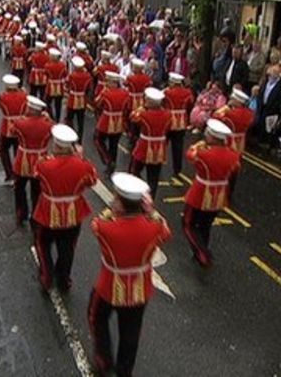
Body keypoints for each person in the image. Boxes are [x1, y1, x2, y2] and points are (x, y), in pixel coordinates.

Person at [88, 172, 171, 377]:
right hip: (139, 289)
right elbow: (166, 232)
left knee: (96, 316)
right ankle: (124, 372)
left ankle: (103, 358)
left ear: (121, 205)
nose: (113, 201)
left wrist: (114, 211)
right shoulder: (154, 226)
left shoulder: (106, 227)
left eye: (116, 198)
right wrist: (150, 211)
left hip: (109, 286)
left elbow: (96, 224)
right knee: (130, 334)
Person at [33, 124, 98, 291]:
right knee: (68, 249)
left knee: (43, 243)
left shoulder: (44, 164)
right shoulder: (83, 166)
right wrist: (80, 159)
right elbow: (92, 180)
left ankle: (47, 276)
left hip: (48, 211)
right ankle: (63, 280)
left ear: (56, 145)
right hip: (73, 213)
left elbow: (36, 174)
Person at [182, 119, 240, 267]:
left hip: (200, 192)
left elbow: (190, 155)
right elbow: (235, 170)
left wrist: (198, 145)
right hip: (219, 194)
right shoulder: (233, 155)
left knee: (188, 223)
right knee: (205, 224)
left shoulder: (203, 153)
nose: (205, 135)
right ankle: (201, 250)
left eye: (208, 133)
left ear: (213, 137)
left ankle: (202, 253)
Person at [11, 96, 54, 225]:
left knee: (19, 188)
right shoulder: (48, 125)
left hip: (23, 159)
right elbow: (54, 132)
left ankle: (21, 213)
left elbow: (13, 132)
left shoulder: (20, 123)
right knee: (37, 191)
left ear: (29, 108)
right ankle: (35, 217)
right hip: (40, 161)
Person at [128, 88, 171, 201]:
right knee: (153, 177)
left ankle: (137, 193)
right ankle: (150, 200)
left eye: (147, 99)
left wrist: (142, 108)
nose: (145, 100)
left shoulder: (143, 114)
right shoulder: (168, 114)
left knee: (134, 170)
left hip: (144, 146)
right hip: (159, 149)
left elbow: (132, 117)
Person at [94, 72, 130, 175]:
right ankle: (111, 165)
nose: (106, 83)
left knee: (98, 140)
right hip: (119, 122)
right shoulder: (125, 93)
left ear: (113, 83)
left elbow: (97, 103)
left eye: (108, 81)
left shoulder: (106, 93)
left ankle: (107, 160)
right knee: (114, 145)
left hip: (106, 120)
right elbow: (127, 107)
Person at [0, 74, 28, 183]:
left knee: (3, 149)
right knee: (18, 149)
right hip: (21, 125)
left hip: (7, 127)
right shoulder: (24, 95)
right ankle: (17, 172)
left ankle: (9, 173)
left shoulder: (3, 96)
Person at [163, 72, 194, 178]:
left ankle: (159, 160)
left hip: (168, 122)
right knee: (178, 147)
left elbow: (161, 102)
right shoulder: (188, 93)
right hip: (181, 122)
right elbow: (190, 105)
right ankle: (177, 169)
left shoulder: (167, 92)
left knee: (164, 143)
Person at [65, 56, 92, 137]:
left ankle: (70, 135)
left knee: (69, 119)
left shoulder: (72, 76)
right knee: (81, 121)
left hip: (73, 99)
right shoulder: (87, 76)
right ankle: (80, 138)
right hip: (82, 99)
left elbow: (67, 84)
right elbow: (89, 88)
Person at [44, 48, 67, 122]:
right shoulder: (63, 65)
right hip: (59, 86)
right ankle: (57, 118)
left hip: (50, 86)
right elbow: (65, 74)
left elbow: (46, 74)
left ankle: (50, 116)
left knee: (47, 102)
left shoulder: (47, 65)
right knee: (58, 104)